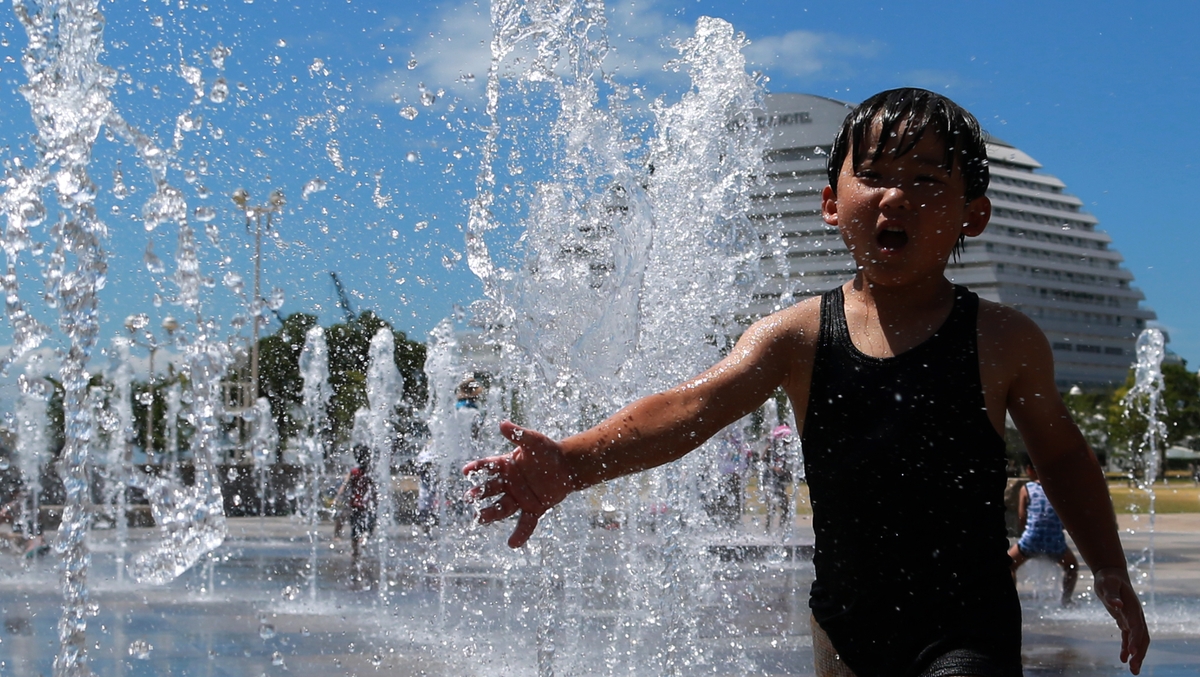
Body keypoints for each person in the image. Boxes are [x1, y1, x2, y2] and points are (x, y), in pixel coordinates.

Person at [463, 88, 1149, 677]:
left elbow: (1062, 456)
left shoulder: (1002, 339)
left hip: (969, 621)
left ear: (973, 214)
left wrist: (1108, 566)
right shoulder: (796, 335)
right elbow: (692, 407)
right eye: (873, 175)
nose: (895, 196)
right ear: (831, 203)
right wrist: (572, 462)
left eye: (925, 180)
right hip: (847, 623)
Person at [1008, 456, 1079, 606]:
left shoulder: (1026, 488)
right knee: (1071, 566)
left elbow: (1022, 518)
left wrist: (1027, 533)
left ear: (1029, 470)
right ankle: (1066, 600)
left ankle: (1010, 600)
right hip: (1055, 541)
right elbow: (1067, 517)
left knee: (1009, 564)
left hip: (1032, 538)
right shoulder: (1060, 489)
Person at [334, 445, 377, 581]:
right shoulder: (369, 473)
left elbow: (345, 485)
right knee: (364, 528)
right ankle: (360, 546)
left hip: (356, 505)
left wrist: (337, 497)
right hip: (365, 506)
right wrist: (376, 500)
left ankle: (356, 552)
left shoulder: (354, 472)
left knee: (356, 529)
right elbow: (374, 489)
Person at [762, 424, 796, 533]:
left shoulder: (786, 450)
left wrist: (787, 473)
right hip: (769, 479)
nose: (788, 441)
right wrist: (774, 468)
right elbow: (762, 459)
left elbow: (787, 467)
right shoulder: (771, 448)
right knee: (771, 507)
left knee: (785, 507)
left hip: (779, 482)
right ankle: (767, 530)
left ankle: (781, 530)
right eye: (786, 438)